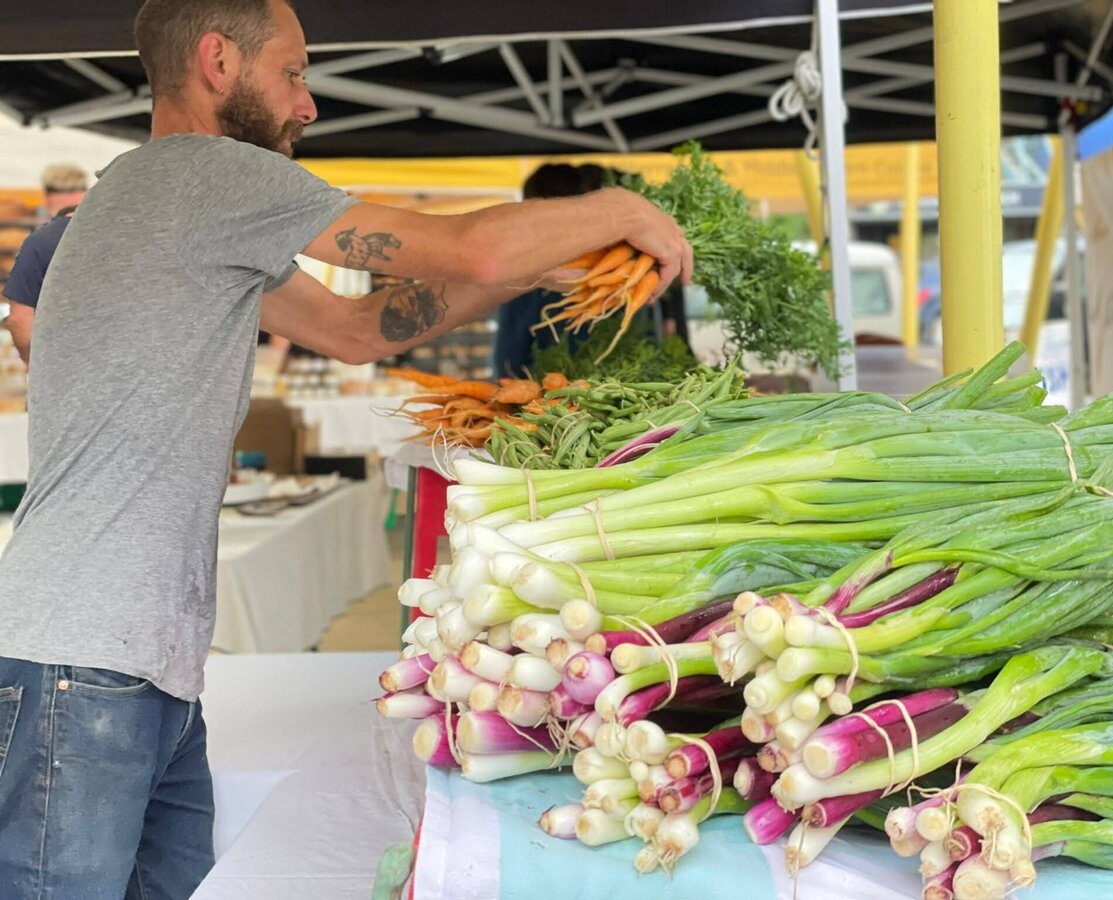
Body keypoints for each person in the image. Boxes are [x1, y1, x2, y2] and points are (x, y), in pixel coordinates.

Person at [0, 2, 691, 898]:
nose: (309, 102)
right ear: (217, 60)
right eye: (292, 72)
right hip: (83, 668)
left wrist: (534, 269)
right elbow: (466, 250)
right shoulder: (205, 173)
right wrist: (622, 205)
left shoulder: (162, 197)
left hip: (133, 667)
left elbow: (360, 330)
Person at [493, 162, 607, 376]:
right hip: (623, 396)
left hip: (549, 398)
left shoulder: (528, 273)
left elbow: (508, 362)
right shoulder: (620, 266)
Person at [1, 165, 89, 363]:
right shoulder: (115, 236)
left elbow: (20, 318)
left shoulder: (40, 241)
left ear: (48, 197)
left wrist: (34, 365)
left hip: (57, 357)